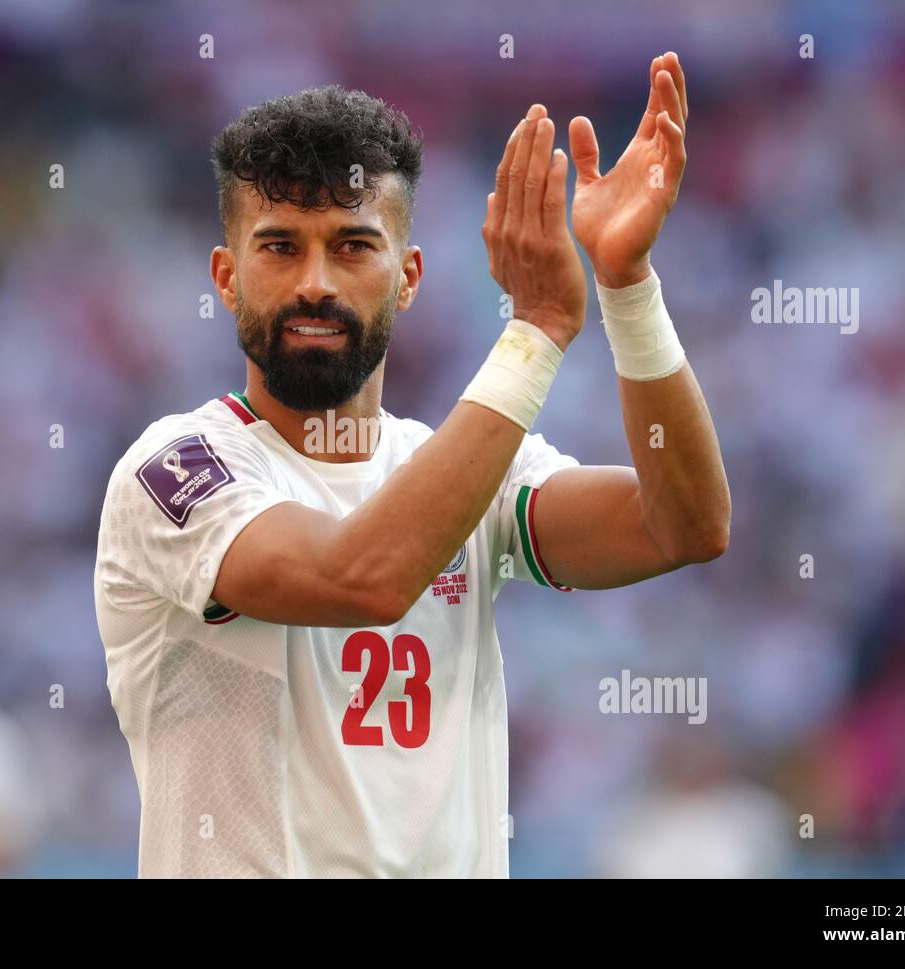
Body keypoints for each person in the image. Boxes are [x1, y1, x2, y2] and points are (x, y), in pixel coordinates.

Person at [95, 53, 730, 877]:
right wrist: (534, 332)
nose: (315, 283)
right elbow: (363, 579)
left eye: (354, 245)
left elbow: (684, 524)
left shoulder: (468, 470)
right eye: (280, 247)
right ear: (226, 277)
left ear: (408, 279)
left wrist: (627, 285)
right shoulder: (177, 470)